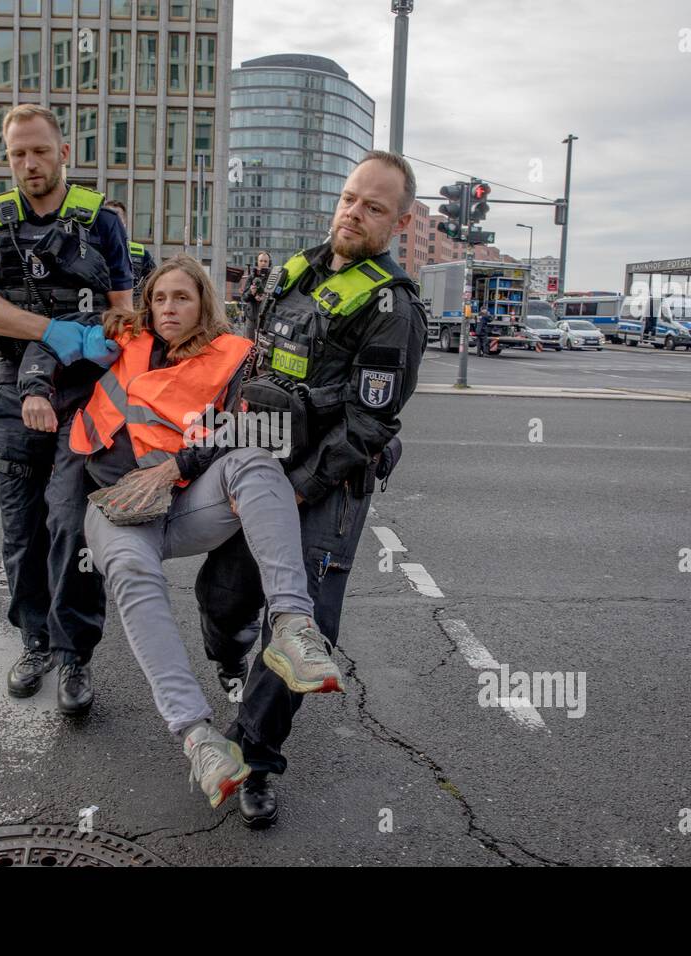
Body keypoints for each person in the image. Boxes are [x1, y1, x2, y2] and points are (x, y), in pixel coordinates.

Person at [21, 256, 342, 808]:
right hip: (117, 500)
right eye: (161, 298)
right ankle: (197, 736)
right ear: (149, 303)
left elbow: (247, 423)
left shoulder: (235, 355)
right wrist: (33, 388)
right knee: (129, 570)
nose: (169, 308)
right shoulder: (122, 333)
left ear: (204, 304)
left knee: (254, 463)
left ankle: (293, 623)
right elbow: (49, 341)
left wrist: (179, 466)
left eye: (183, 298)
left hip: (185, 495)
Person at [194, 150, 428, 827]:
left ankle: (255, 756)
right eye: (351, 198)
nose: (355, 212)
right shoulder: (295, 271)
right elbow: (253, 359)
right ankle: (232, 659)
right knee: (222, 594)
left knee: (302, 629)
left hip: (329, 483)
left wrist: (298, 489)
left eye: (374, 206)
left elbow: (368, 423)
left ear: (399, 221)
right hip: (258, 462)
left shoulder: (394, 307)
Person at [0, 103, 133, 714]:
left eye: (38, 150)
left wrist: (93, 338)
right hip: (12, 391)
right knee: (21, 530)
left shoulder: (100, 219)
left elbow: (124, 311)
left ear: (63, 153)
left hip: (85, 396)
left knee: (72, 525)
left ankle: (76, 654)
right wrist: (48, 332)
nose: (29, 164)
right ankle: (34, 641)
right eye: (16, 154)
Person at [103, 199, 155, 302]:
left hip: (133, 311)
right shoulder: (91, 252)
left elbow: (154, 283)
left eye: (117, 218)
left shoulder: (140, 252)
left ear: (125, 222)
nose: (113, 222)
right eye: (108, 218)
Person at [238, 251, 273, 335]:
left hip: (266, 318)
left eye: (265, 261)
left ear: (269, 263)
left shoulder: (273, 277)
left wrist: (265, 297)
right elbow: (244, 298)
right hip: (252, 317)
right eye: (261, 261)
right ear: (257, 262)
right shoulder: (252, 276)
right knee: (249, 344)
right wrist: (251, 292)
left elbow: (277, 296)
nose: (263, 263)